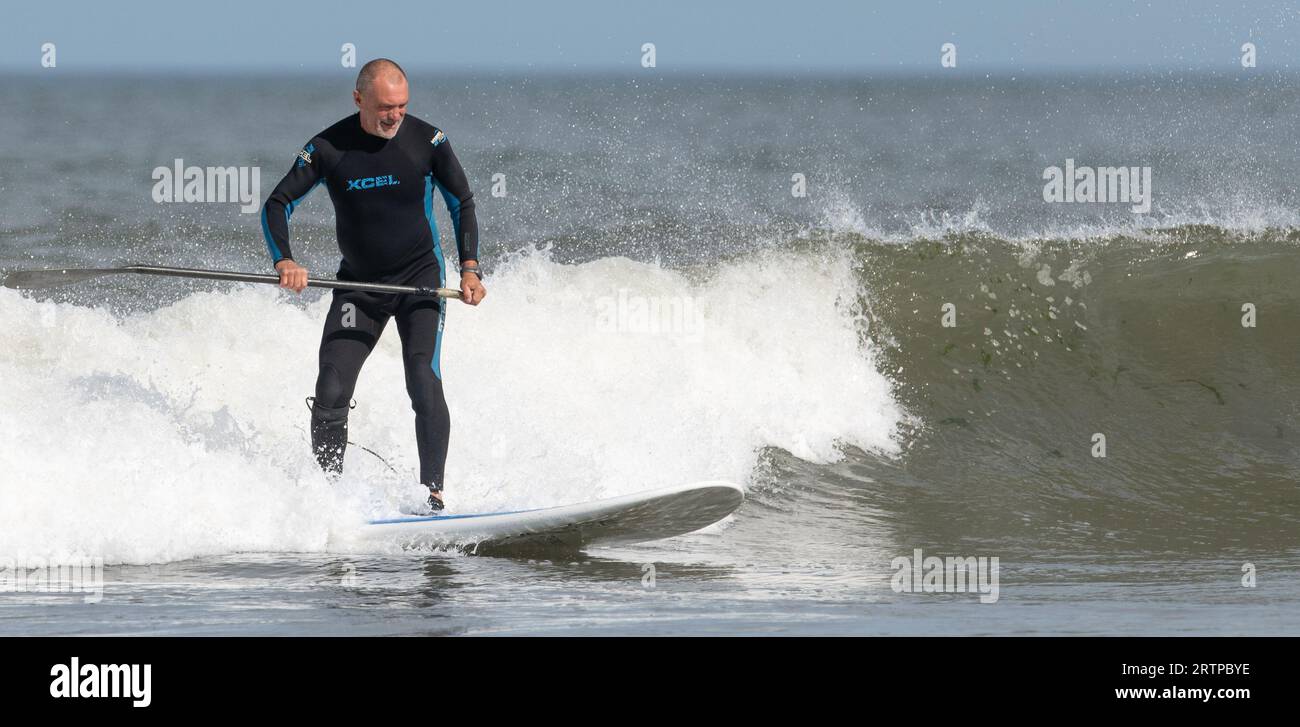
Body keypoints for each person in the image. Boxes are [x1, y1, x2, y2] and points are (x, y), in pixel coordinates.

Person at [260, 58, 485, 513]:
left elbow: (462, 201)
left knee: (423, 378)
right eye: (385, 107)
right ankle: (331, 496)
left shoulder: (429, 141)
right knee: (330, 385)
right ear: (359, 98)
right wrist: (285, 261)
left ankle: (433, 495)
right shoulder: (327, 148)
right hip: (360, 287)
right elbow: (277, 204)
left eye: (402, 106)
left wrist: (469, 267)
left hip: (419, 283)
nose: (395, 116)